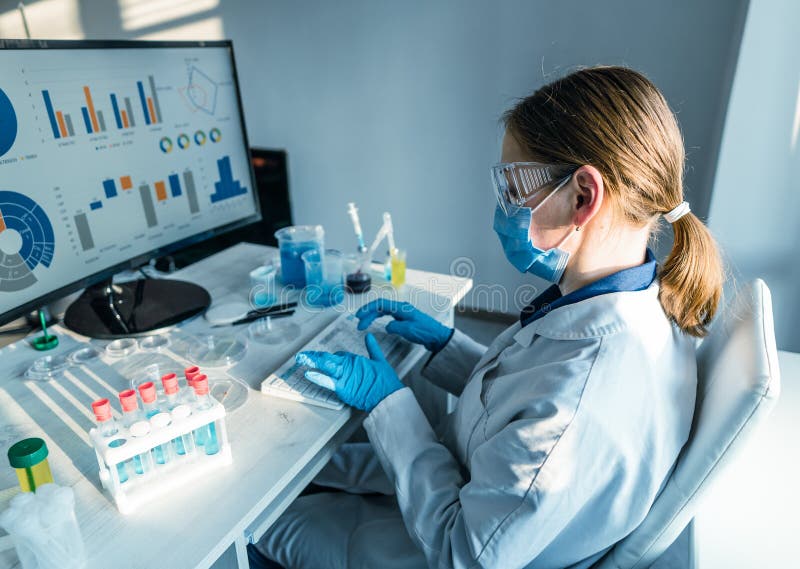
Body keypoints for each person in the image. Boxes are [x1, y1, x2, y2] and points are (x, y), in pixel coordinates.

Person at [250, 66, 723, 569]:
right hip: (476, 490)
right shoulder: (642, 300)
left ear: (584, 195)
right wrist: (447, 346)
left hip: (439, 545)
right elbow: (524, 397)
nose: (503, 207)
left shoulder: (577, 400)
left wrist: (387, 401)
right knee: (310, 475)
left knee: (259, 526)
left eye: (513, 187)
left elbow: (462, 554)